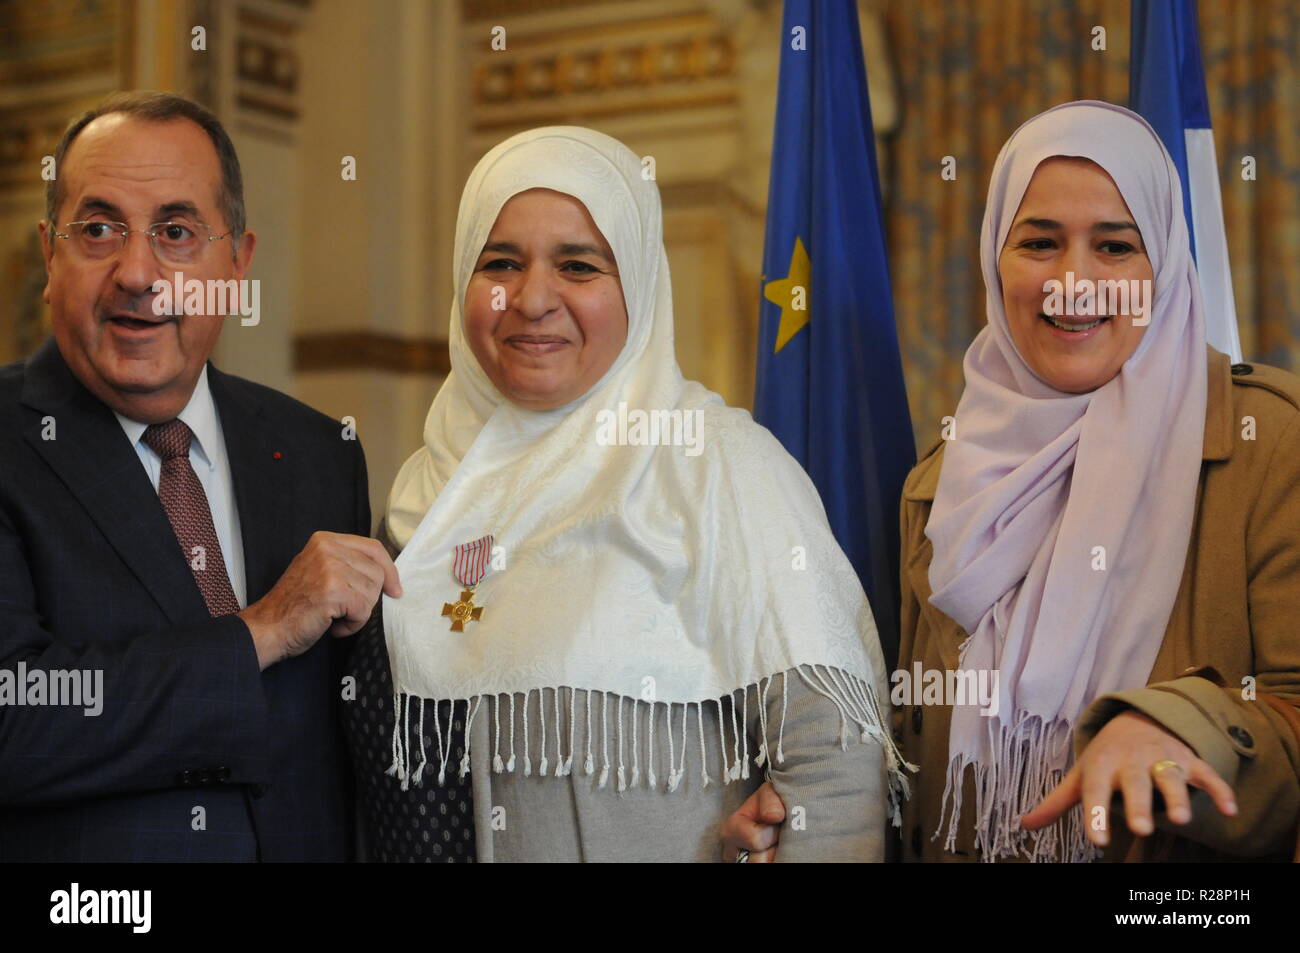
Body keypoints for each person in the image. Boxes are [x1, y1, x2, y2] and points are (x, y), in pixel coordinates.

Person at [723, 100, 1300, 863]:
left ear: (1163, 260)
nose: (1073, 280)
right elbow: (919, 743)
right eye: (1039, 242)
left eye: (1115, 246)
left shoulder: (1268, 442)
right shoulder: (941, 478)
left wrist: (1178, 726)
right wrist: (814, 813)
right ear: (996, 259)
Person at [343, 126, 907, 862]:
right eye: (501, 262)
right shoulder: (418, 503)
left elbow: (834, 762)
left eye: (579, 265)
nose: (533, 298)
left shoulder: (718, 467)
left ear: (637, 282)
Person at [0, 91, 399, 861]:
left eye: (176, 232)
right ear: (50, 256)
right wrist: (263, 629)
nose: (138, 272)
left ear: (238, 265)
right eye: (98, 229)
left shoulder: (320, 451)